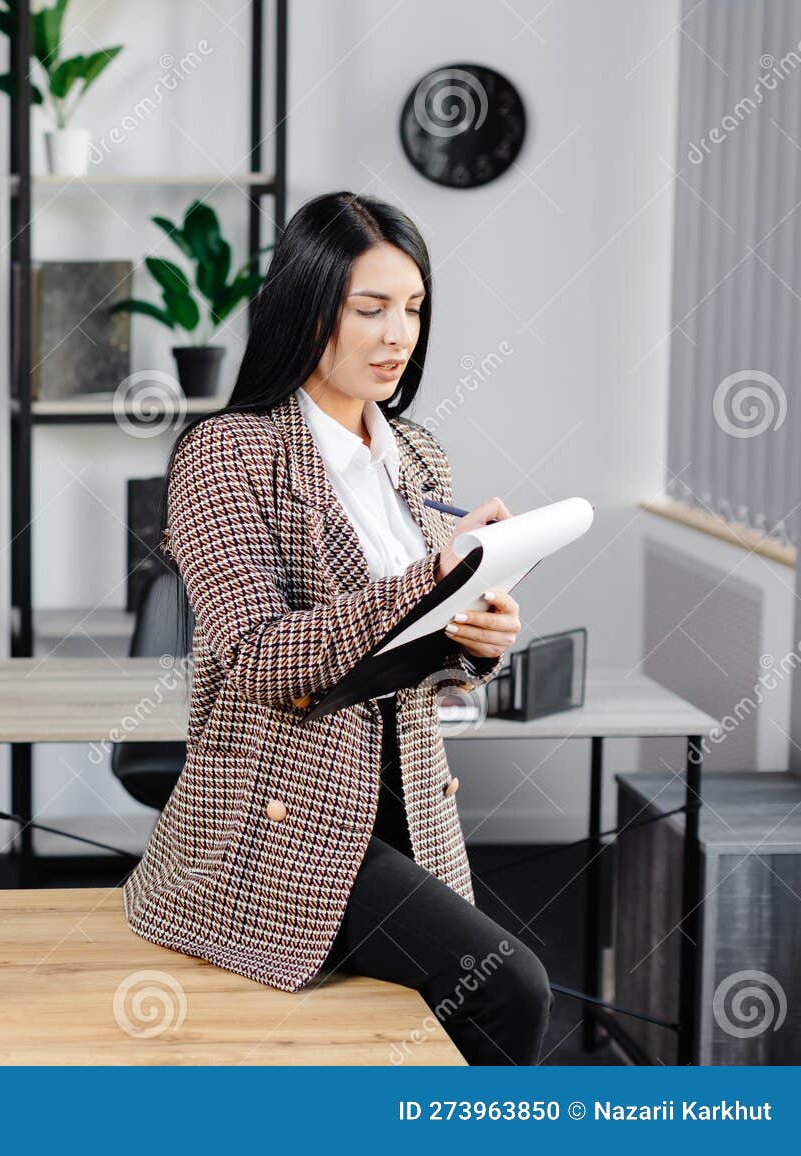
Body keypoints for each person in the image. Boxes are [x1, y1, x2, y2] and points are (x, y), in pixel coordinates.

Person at [121, 190, 553, 1065]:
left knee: (421, 1030)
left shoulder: (418, 454)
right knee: (512, 988)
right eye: (372, 309)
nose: (400, 335)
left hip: (409, 806)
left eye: (415, 308)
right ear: (310, 306)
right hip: (282, 826)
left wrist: (475, 643)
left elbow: (414, 656)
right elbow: (259, 659)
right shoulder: (225, 454)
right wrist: (429, 577)